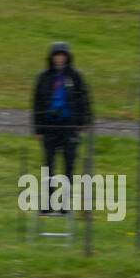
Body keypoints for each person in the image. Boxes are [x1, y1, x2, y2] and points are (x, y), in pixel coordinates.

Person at [30, 41, 92, 187]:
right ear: (51, 57)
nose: (59, 59)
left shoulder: (75, 77)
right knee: (48, 166)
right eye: (56, 56)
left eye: (62, 56)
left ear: (67, 57)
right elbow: (37, 103)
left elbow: (84, 99)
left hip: (69, 126)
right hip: (49, 126)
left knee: (69, 165)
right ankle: (48, 198)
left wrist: (82, 123)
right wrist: (38, 129)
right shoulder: (43, 77)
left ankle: (65, 198)